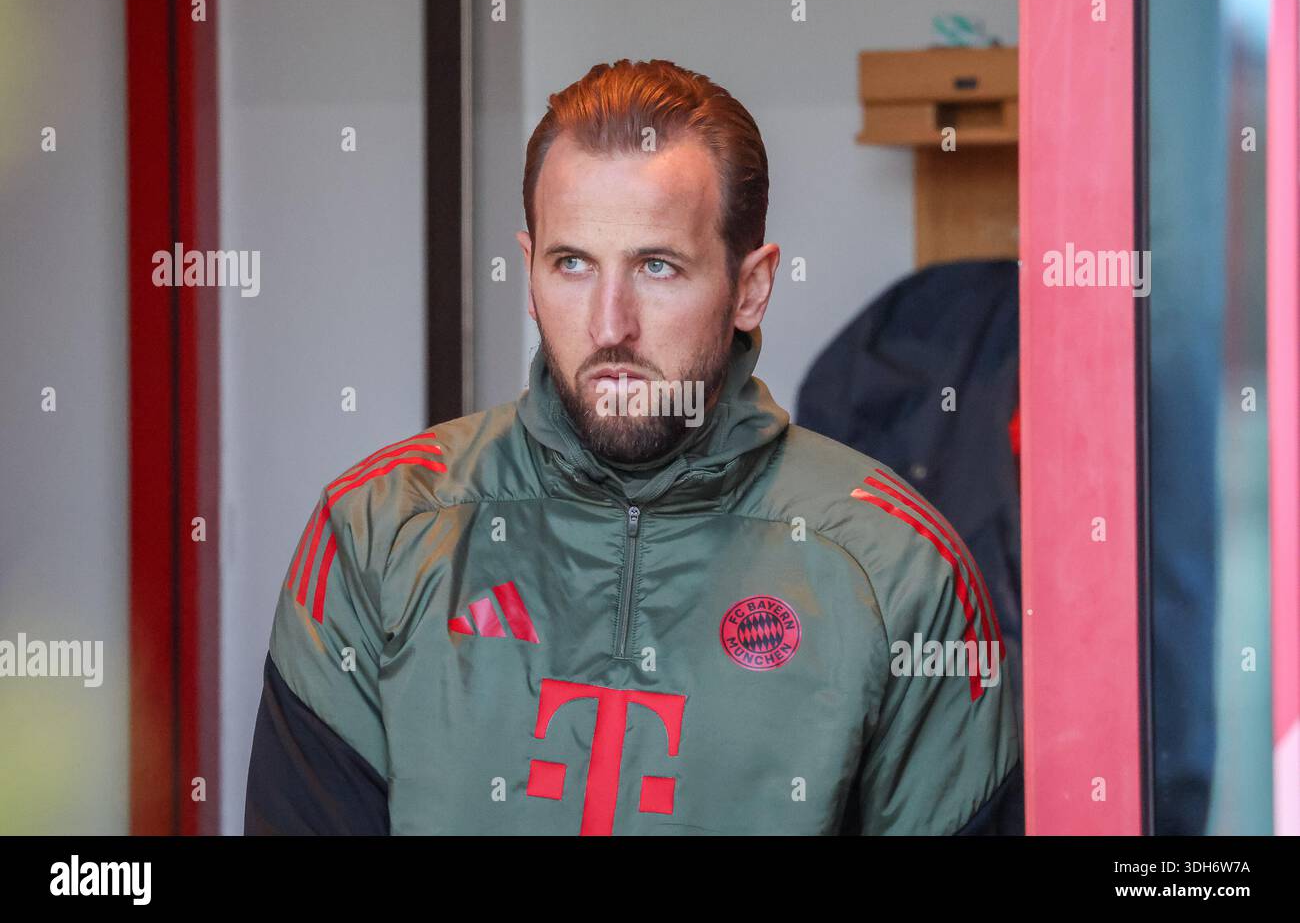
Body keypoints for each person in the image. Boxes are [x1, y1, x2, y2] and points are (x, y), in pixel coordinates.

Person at [244, 58, 1020, 835]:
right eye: (573, 264)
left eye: (657, 266)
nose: (610, 324)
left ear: (750, 288)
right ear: (529, 272)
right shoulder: (377, 532)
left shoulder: (899, 568)